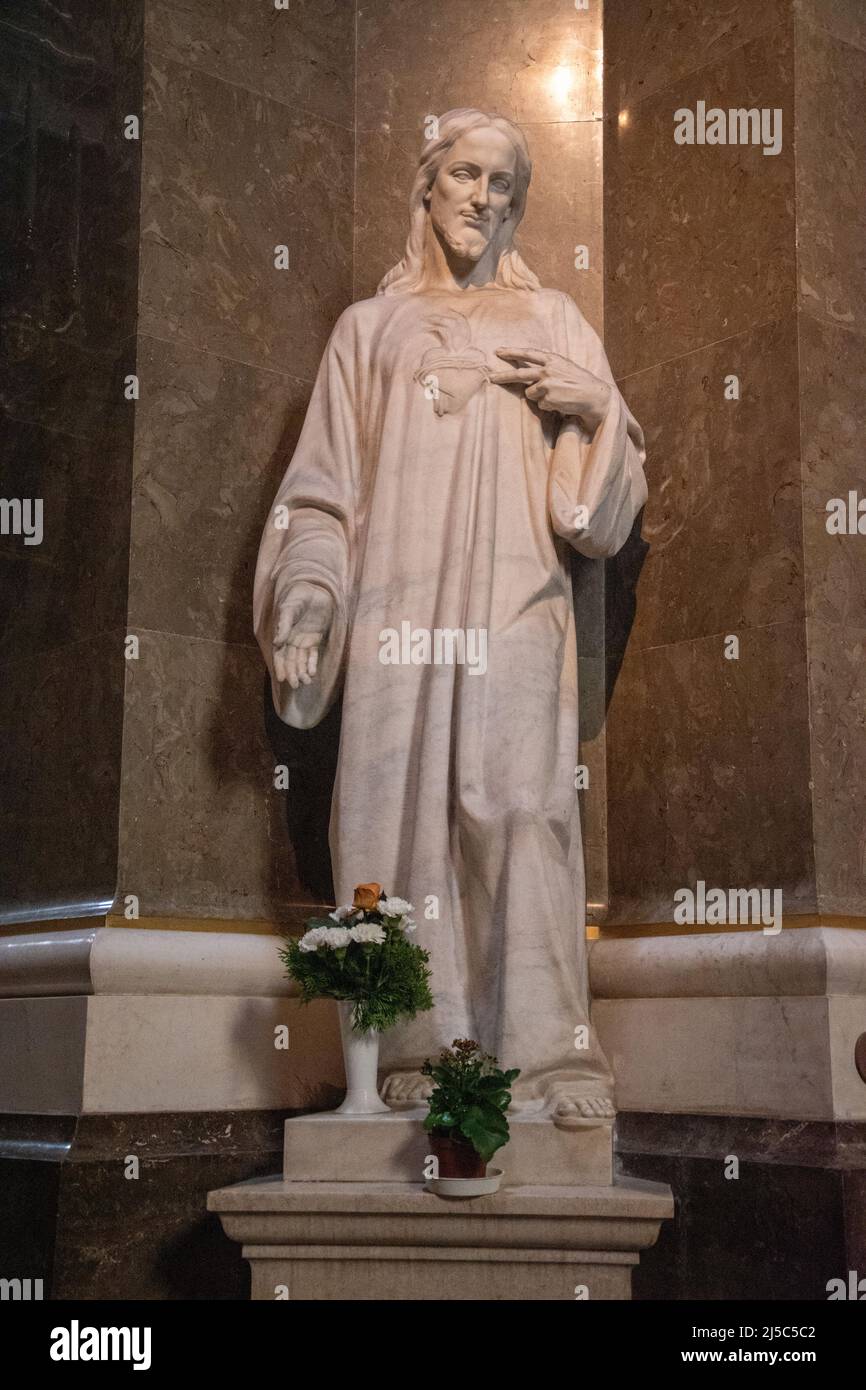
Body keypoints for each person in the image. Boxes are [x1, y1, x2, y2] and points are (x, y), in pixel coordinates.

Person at [254, 108, 647, 1127]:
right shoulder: (367, 330)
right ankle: (415, 1059)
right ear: (427, 186)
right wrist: (306, 598)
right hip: (394, 620)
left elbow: (597, 514)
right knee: (393, 825)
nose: (484, 198)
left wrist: (595, 413)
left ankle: (543, 1064)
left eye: (503, 184)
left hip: (515, 607)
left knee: (518, 805)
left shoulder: (554, 320)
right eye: (466, 175)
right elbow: (319, 494)